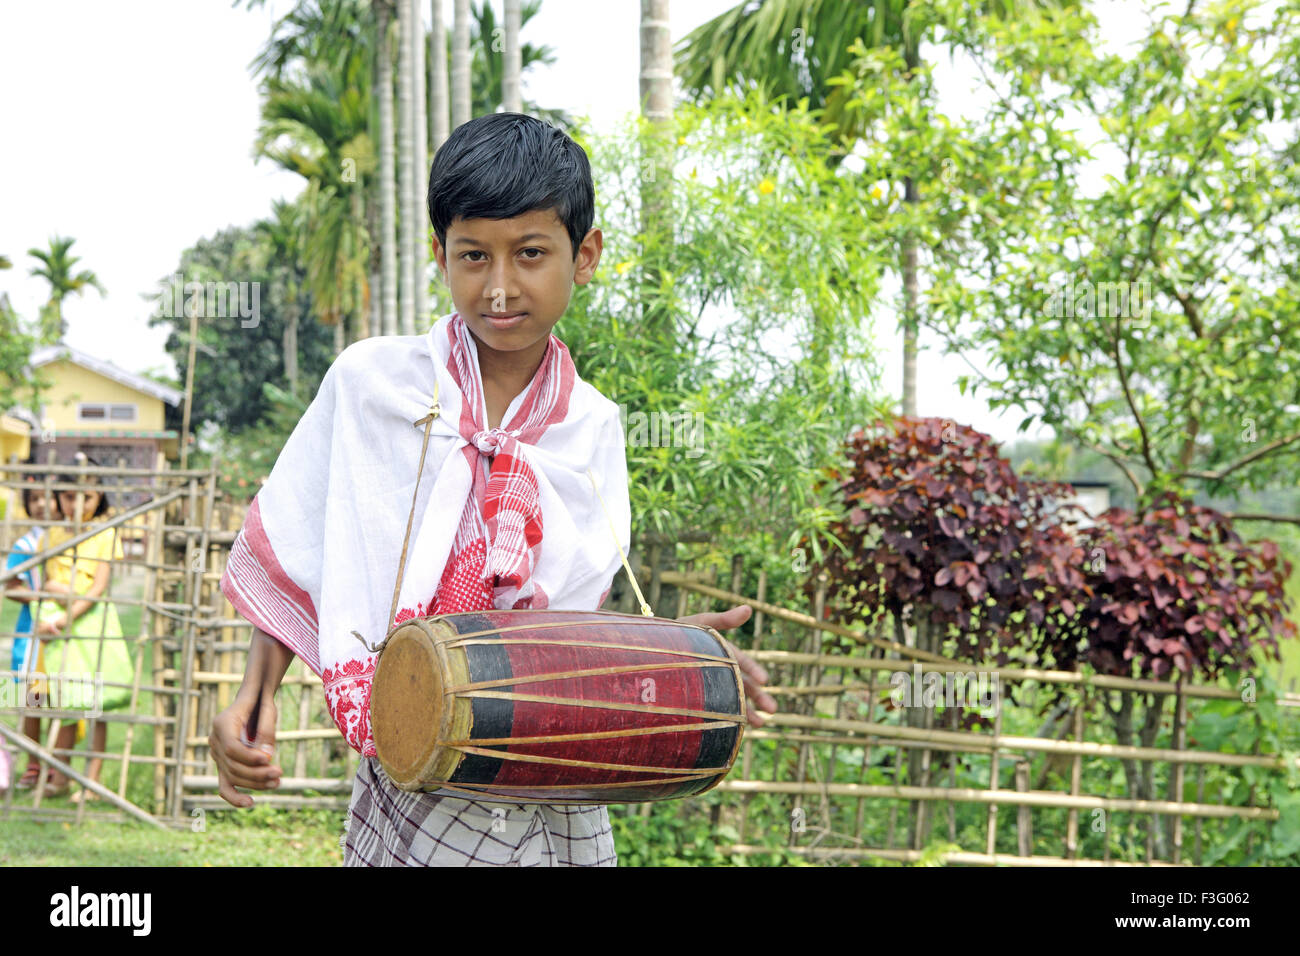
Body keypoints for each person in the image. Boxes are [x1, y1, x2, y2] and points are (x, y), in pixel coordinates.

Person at [211, 112, 777, 866]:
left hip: (549, 774)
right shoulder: (374, 385)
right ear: (440, 254)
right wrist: (254, 693)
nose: (501, 286)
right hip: (416, 759)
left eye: (532, 253)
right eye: (474, 255)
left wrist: (678, 658)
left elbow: (570, 624)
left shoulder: (594, 427)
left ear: (586, 255)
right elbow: (308, 539)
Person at [33, 457, 135, 801]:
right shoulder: (52, 535)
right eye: (69, 496)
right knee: (62, 699)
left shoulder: (105, 535)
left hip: (90, 624)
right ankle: (58, 776)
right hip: (54, 623)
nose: (76, 504)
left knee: (95, 702)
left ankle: (92, 782)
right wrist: (57, 601)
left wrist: (67, 612)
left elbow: (97, 589)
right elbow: (47, 580)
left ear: (99, 497)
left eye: (86, 497)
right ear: (59, 496)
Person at [4, 476, 61, 790]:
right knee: (31, 697)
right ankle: (33, 764)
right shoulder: (25, 544)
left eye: (48, 498)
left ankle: (56, 763)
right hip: (31, 630)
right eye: (34, 498)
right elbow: (12, 585)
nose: (41, 504)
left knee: (60, 694)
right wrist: (39, 596)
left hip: (64, 627)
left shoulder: (67, 539)